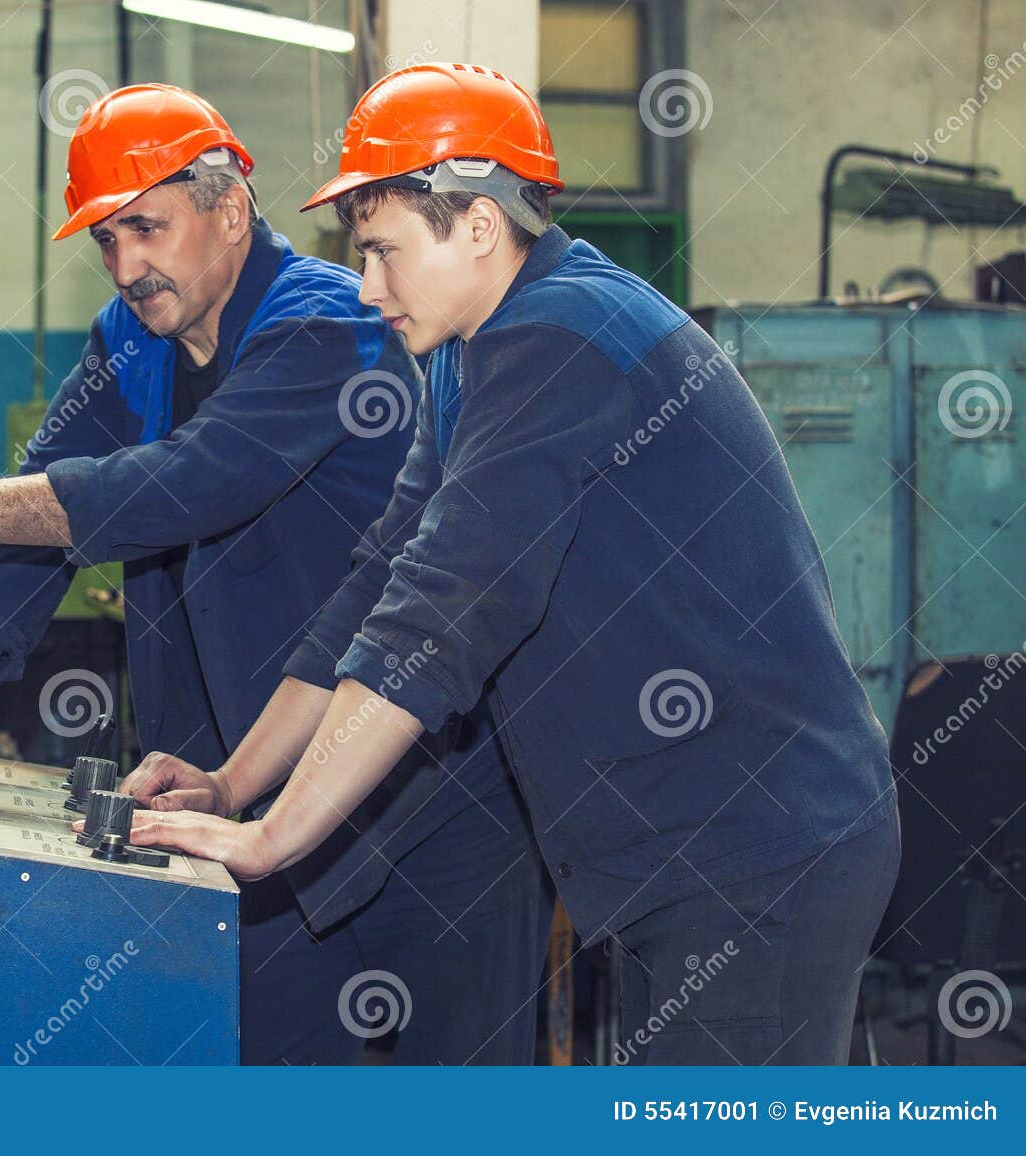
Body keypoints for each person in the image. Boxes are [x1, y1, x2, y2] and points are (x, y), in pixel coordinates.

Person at [118, 62, 901, 1065]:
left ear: (479, 227)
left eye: (384, 252)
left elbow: (441, 617)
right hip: (686, 846)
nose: (368, 287)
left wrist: (276, 841)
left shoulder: (560, 338)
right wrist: (234, 785)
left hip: (756, 849)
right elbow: (382, 580)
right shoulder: (469, 353)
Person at [0, 82, 551, 1065]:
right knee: (258, 1061)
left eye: (146, 226)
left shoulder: (324, 327)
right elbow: (39, 503)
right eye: (105, 239)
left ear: (228, 209)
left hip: (418, 792)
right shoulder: (129, 343)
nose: (126, 266)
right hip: (227, 787)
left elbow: (183, 485)